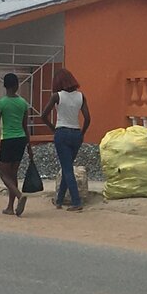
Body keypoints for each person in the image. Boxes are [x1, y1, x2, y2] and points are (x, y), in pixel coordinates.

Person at [0, 73, 34, 216]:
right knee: (13, 174)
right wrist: (29, 147)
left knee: (3, 174)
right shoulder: (23, 103)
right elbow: (25, 126)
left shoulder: (1, 103)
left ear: (5, 86)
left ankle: (19, 195)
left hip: (8, 139)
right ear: (17, 85)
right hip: (21, 140)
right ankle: (10, 207)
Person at [41, 68, 91, 211]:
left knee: (67, 169)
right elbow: (88, 118)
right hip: (76, 133)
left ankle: (76, 202)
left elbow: (43, 116)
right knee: (67, 167)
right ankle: (59, 200)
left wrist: (53, 128)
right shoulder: (81, 96)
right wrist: (82, 133)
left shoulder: (57, 96)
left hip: (62, 132)